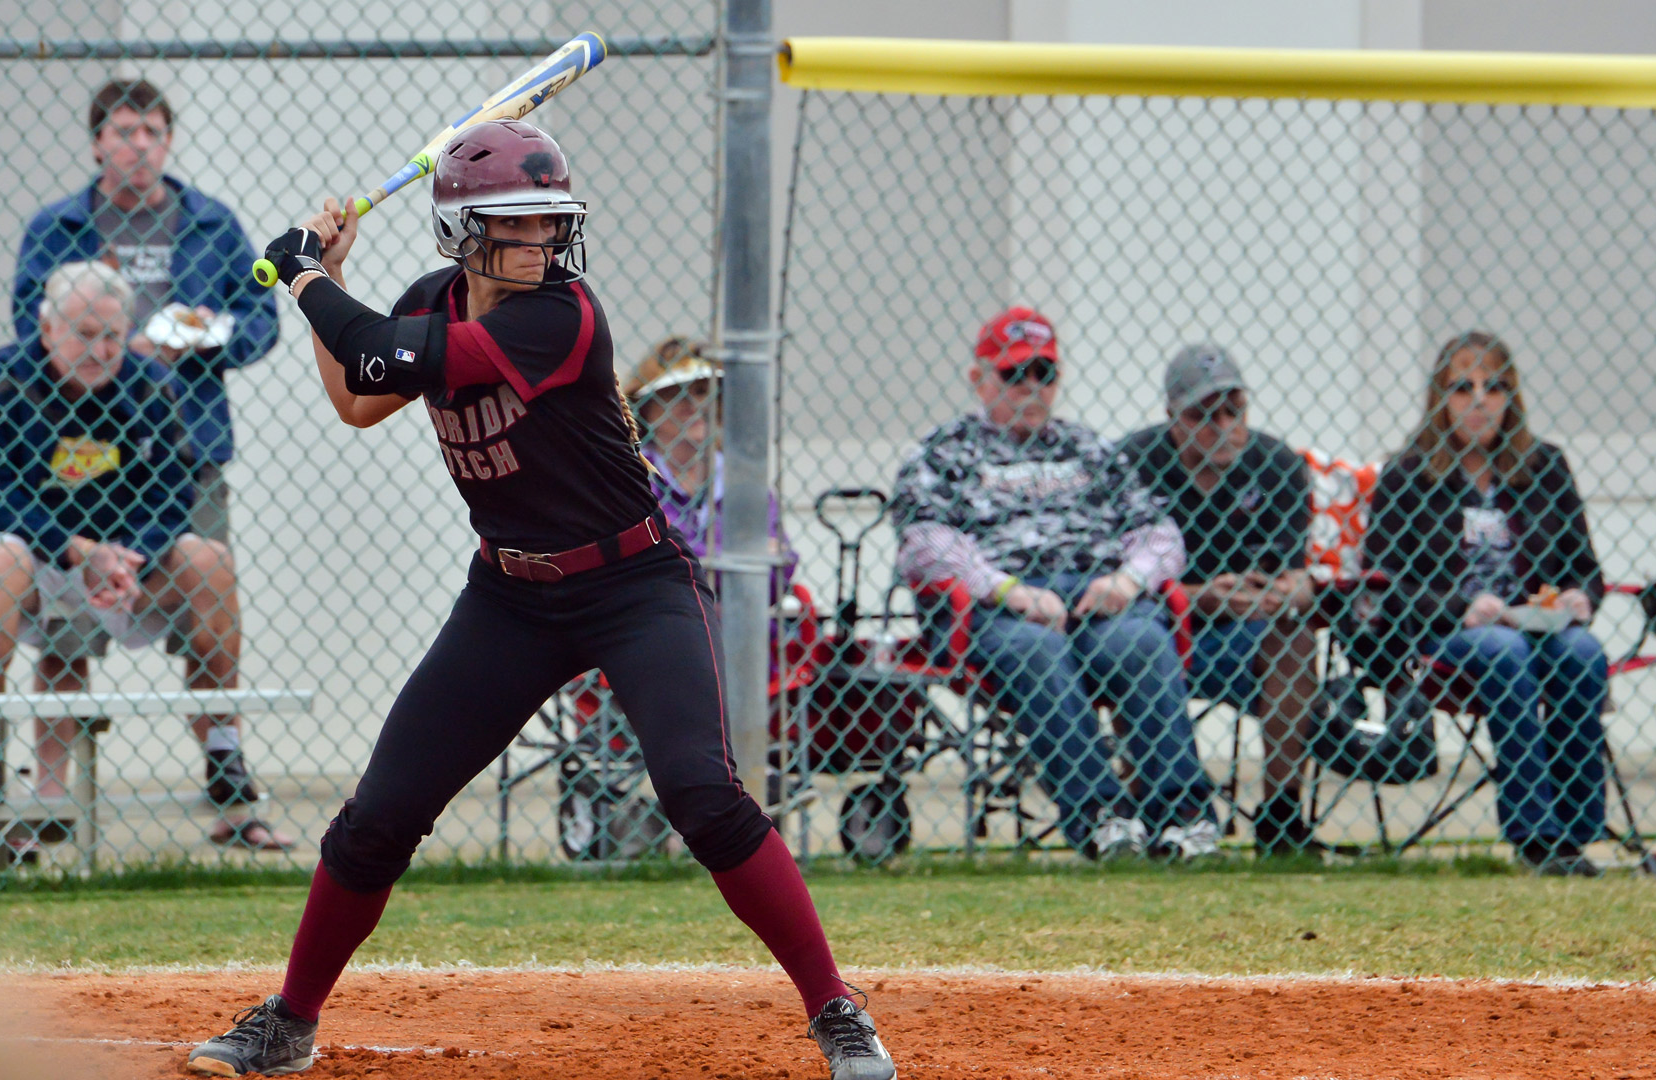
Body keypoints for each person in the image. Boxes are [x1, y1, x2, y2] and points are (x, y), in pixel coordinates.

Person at [185, 120, 896, 1080]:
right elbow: (361, 391)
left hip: (632, 583)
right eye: (517, 226)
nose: (542, 243)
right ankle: (290, 1023)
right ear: (462, 232)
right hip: (510, 596)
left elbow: (383, 354)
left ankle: (839, 1013)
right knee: (379, 815)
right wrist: (330, 284)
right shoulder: (427, 302)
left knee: (703, 795)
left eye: (550, 223)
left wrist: (308, 276)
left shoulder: (561, 315)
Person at [0, 260, 292, 853]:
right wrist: (75, 551)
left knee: (209, 557)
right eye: (84, 333)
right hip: (32, 564)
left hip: (124, 567)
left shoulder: (149, 383)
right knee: (4, 555)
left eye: (112, 334)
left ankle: (223, 745)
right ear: (46, 329)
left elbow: (173, 495)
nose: (100, 348)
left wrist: (125, 556)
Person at [891, 306, 1218, 863]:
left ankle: (1184, 820)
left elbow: (1157, 530)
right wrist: (1005, 588)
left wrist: (1128, 579)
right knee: (1037, 649)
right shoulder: (945, 449)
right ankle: (1104, 818)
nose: (1031, 387)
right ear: (979, 378)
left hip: (1096, 597)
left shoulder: (1085, 446)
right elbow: (923, 540)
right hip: (996, 608)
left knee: (1139, 642)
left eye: (1045, 373)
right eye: (1014, 373)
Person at [1365, 331, 1608, 877]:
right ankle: (1536, 836)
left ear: (1511, 397)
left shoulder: (1546, 466)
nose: (1479, 400)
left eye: (1494, 386)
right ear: (1439, 400)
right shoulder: (1407, 474)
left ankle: (1576, 833)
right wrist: (1461, 608)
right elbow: (1382, 584)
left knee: (1583, 652)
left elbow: (1586, 569)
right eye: (1462, 388)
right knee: (1502, 648)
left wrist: (1577, 596)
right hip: (1448, 633)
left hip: (1536, 623)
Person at [11, 79, 277, 545]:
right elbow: (30, 320)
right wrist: (112, 348)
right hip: (83, 441)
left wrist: (202, 338)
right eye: (125, 131)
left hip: (190, 438)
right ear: (97, 143)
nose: (140, 145)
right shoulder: (59, 227)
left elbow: (260, 318)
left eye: (153, 132)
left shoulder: (213, 223)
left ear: (168, 142)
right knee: (87, 598)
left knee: (201, 581)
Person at [1119, 345, 1318, 857]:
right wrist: (1197, 598)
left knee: (1293, 637)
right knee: (1129, 638)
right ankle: (1152, 809)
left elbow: (1298, 575)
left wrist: (1284, 592)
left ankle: (1281, 815)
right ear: (1172, 418)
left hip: (1246, 634)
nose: (1222, 425)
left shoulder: (1276, 465)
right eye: (1202, 414)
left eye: (1233, 410)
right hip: (1161, 625)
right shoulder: (1133, 463)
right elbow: (1112, 581)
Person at [624, 336, 798, 597]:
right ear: (645, 409)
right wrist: (740, 559)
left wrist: (693, 558)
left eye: (702, 391)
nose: (693, 405)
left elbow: (782, 567)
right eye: (674, 393)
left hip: (736, 630)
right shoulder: (634, 478)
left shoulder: (741, 478)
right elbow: (643, 571)